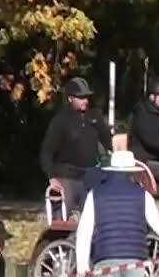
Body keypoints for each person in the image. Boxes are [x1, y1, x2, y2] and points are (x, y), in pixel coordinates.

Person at [40, 77, 113, 217]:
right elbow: (46, 152)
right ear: (70, 98)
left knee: (93, 216)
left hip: (90, 175)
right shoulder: (60, 120)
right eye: (80, 97)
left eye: (86, 97)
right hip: (67, 176)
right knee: (62, 218)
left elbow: (107, 139)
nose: (85, 100)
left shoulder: (94, 116)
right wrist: (51, 177)